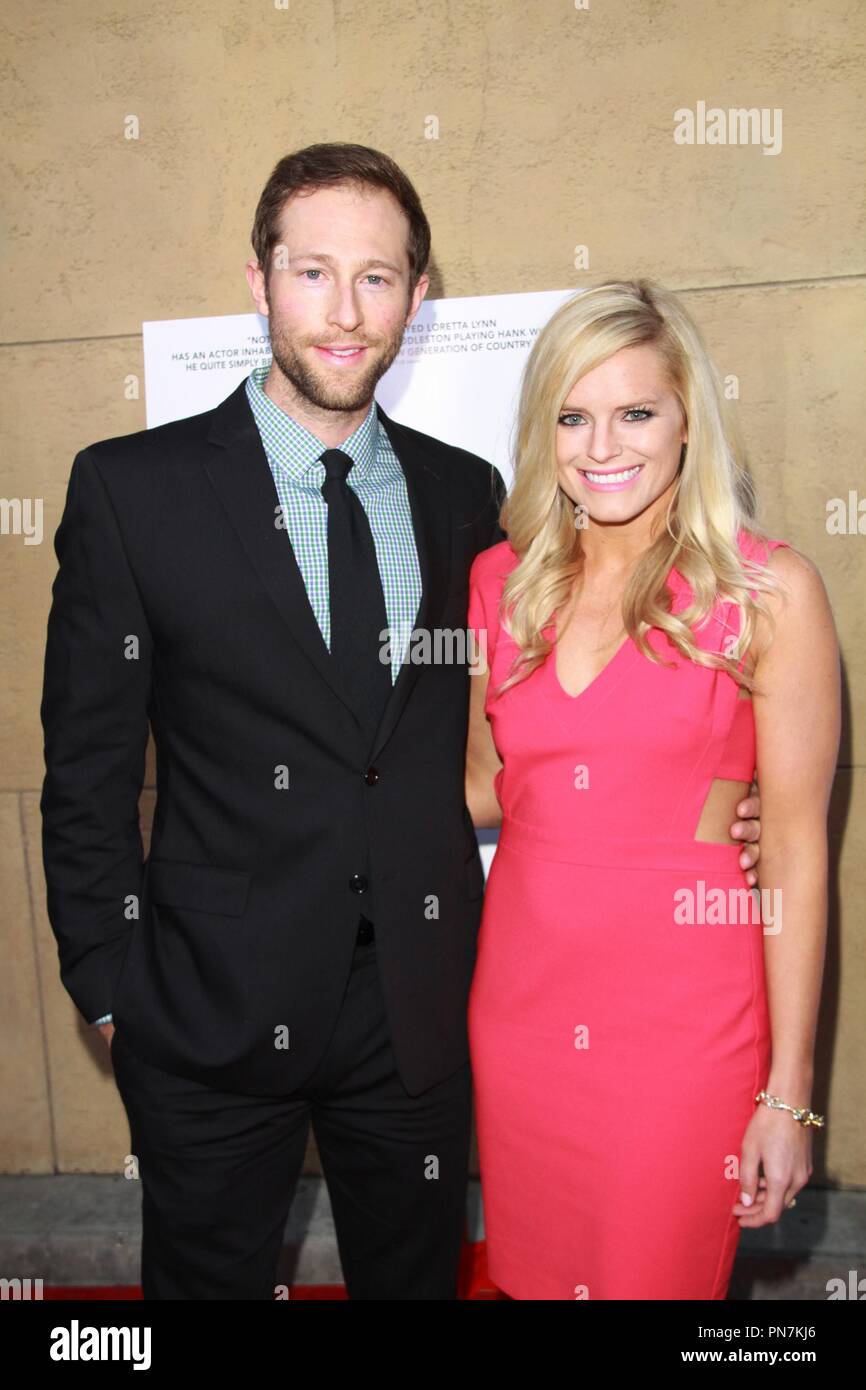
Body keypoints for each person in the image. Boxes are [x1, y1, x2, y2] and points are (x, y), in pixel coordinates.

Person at [39, 144, 762, 1302]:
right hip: (208, 1011)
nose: (343, 311)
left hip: (420, 1010)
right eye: (312, 272)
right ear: (258, 281)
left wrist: (732, 802)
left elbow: (540, 730)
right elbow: (80, 774)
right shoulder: (133, 490)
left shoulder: (466, 495)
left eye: (376, 278)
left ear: (416, 299)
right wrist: (115, 992)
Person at [465, 279, 839, 1301]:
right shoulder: (501, 582)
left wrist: (788, 1096)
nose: (601, 447)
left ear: (686, 421)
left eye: (634, 411)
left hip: (684, 1029)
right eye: (572, 417)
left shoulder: (767, 592)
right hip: (522, 1017)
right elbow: (480, 789)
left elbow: (797, 854)